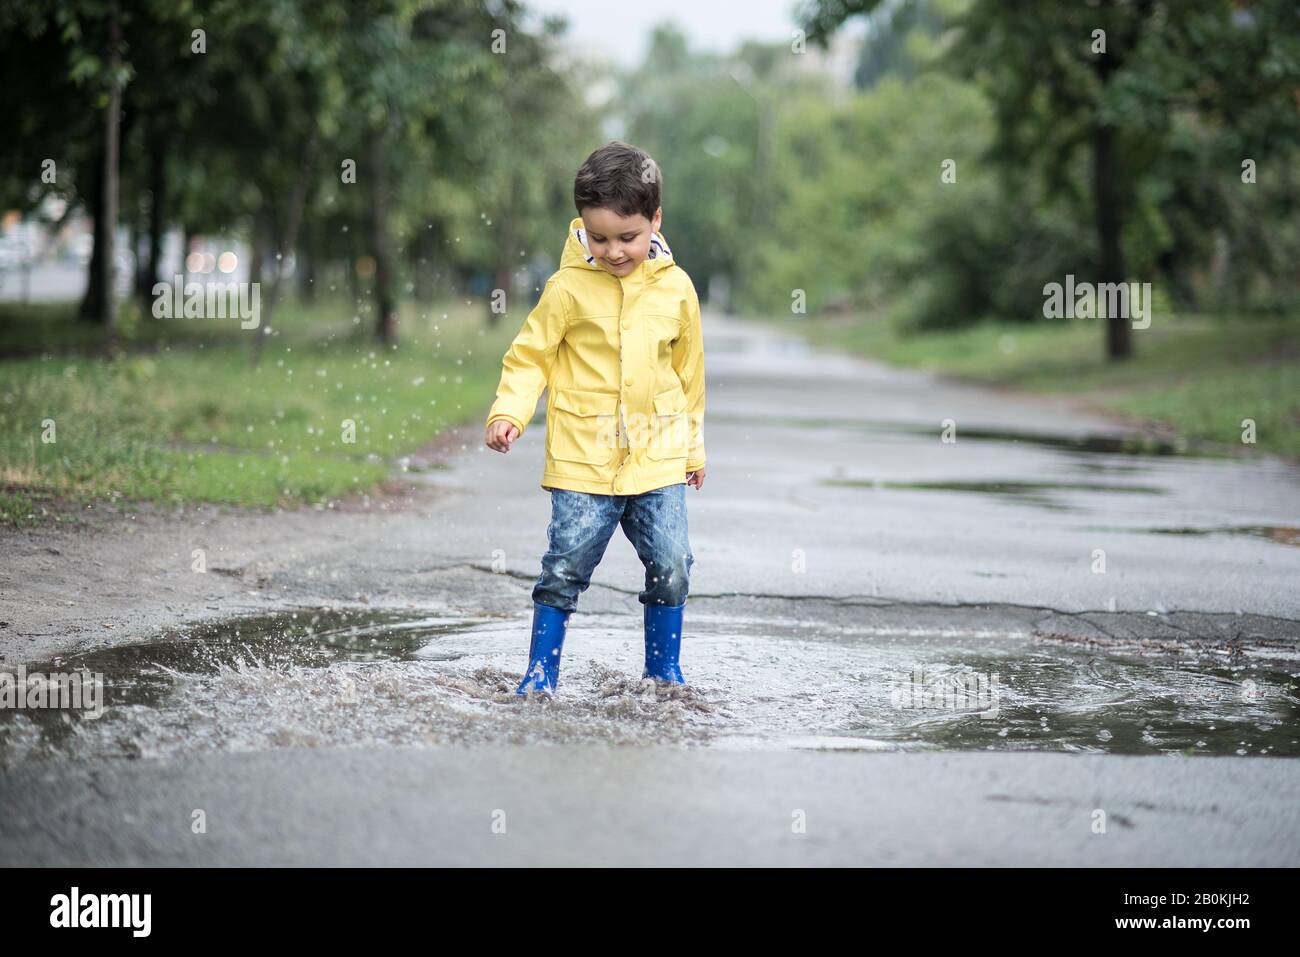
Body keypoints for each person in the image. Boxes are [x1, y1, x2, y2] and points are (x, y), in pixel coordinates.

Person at [484, 140, 707, 697]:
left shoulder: (677, 290)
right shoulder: (566, 289)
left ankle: (663, 671)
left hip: (658, 456)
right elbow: (530, 355)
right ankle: (540, 673)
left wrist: (694, 450)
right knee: (565, 568)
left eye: (627, 237)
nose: (612, 251)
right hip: (582, 461)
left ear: (655, 220)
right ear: (581, 225)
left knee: (672, 564)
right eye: (597, 236)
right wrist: (510, 411)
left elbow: (689, 375)